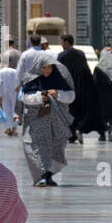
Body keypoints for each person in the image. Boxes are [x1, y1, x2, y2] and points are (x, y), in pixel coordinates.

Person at [20, 51, 75, 186]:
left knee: (56, 147)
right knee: (35, 147)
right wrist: (40, 97)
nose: (47, 70)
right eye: (44, 68)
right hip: (36, 122)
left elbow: (71, 96)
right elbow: (25, 97)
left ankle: (48, 175)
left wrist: (58, 94)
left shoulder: (59, 79)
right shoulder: (31, 80)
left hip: (55, 122)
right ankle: (41, 176)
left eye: (49, 67)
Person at [58, 34, 102, 143]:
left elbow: (59, 72)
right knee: (82, 111)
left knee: (72, 111)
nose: (61, 44)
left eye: (62, 42)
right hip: (84, 88)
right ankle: (79, 130)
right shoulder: (80, 54)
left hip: (70, 89)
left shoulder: (62, 55)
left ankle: (73, 134)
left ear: (67, 42)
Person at [94, 44, 112, 141]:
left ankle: (102, 135)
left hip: (101, 97)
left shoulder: (98, 68)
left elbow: (95, 83)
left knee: (102, 115)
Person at [0, 57, 20, 136]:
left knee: (7, 111)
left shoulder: (0, 72)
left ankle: (8, 128)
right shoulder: (15, 71)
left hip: (4, 93)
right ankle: (14, 128)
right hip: (14, 92)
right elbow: (18, 82)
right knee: (13, 110)